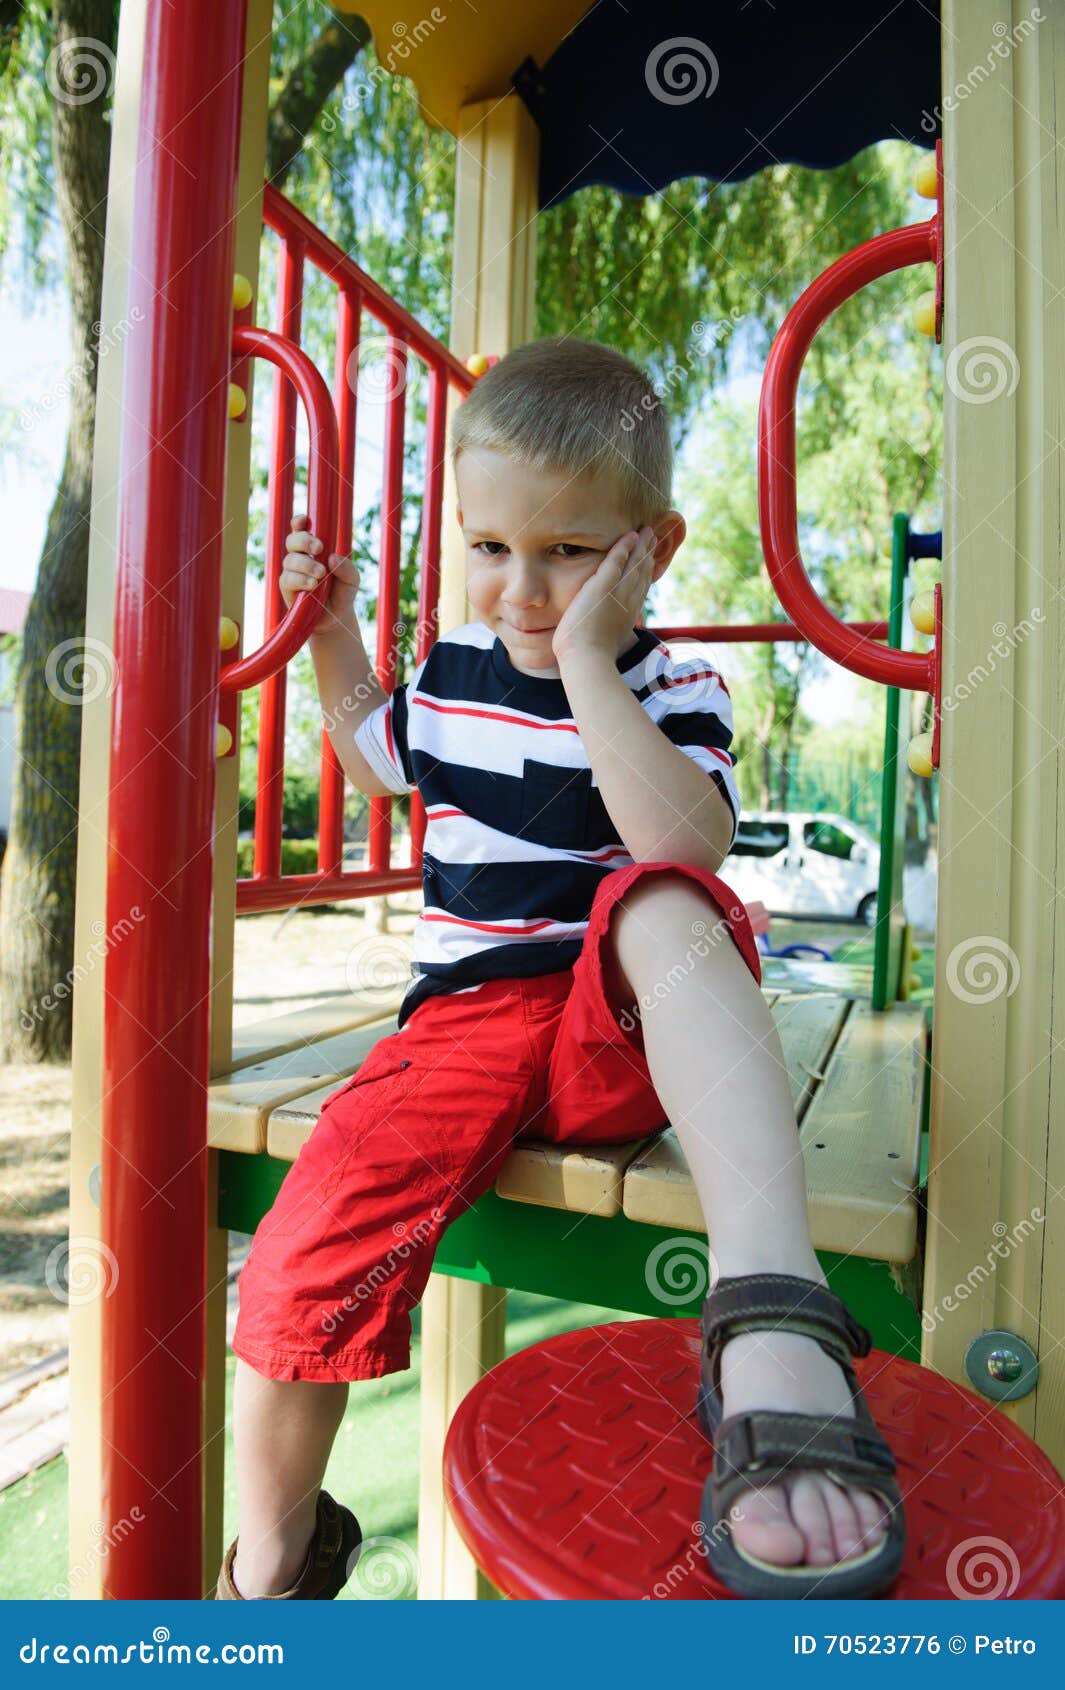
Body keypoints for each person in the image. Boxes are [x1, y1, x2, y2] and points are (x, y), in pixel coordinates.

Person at [217, 337, 903, 1602]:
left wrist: (592, 661)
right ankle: (273, 1565)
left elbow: (686, 842)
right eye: (490, 548)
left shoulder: (671, 681)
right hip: (462, 1026)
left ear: (653, 545)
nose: (522, 590)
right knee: (297, 1251)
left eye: (569, 553)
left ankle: (771, 1305)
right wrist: (331, 630)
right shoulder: (452, 676)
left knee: (657, 899)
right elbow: (377, 755)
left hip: (624, 1026)